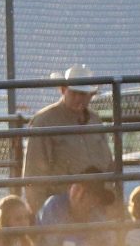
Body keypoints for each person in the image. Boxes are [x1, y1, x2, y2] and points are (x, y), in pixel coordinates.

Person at [22, 65, 117, 216]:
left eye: (84, 94)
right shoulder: (44, 121)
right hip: (61, 205)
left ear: (91, 95)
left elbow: (108, 162)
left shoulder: (95, 120)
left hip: (96, 202)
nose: (79, 98)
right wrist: (39, 212)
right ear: (63, 89)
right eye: (75, 93)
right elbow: (33, 172)